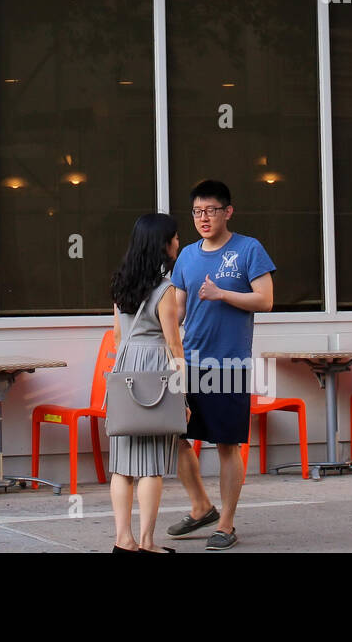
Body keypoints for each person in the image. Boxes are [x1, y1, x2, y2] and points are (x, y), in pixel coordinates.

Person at [166, 179, 275, 550]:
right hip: (188, 363)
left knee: (227, 445)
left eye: (211, 211)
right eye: (197, 212)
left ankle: (226, 524)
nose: (204, 218)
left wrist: (222, 294)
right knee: (174, 436)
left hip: (228, 365)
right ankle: (201, 506)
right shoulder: (187, 256)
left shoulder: (248, 249)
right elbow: (178, 310)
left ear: (228, 212)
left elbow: (265, 300)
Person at [108, 213, 184, 553]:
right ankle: (148, 543)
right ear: (162, 245)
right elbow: (174, 344)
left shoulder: (121, 283)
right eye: (175, 237)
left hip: (125, 368)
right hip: (154, 371)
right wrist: (181, 395)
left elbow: (117, 335)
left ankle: (123, 540)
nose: (178, 242)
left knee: (122, 465)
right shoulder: (165, 290)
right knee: (151, 465)